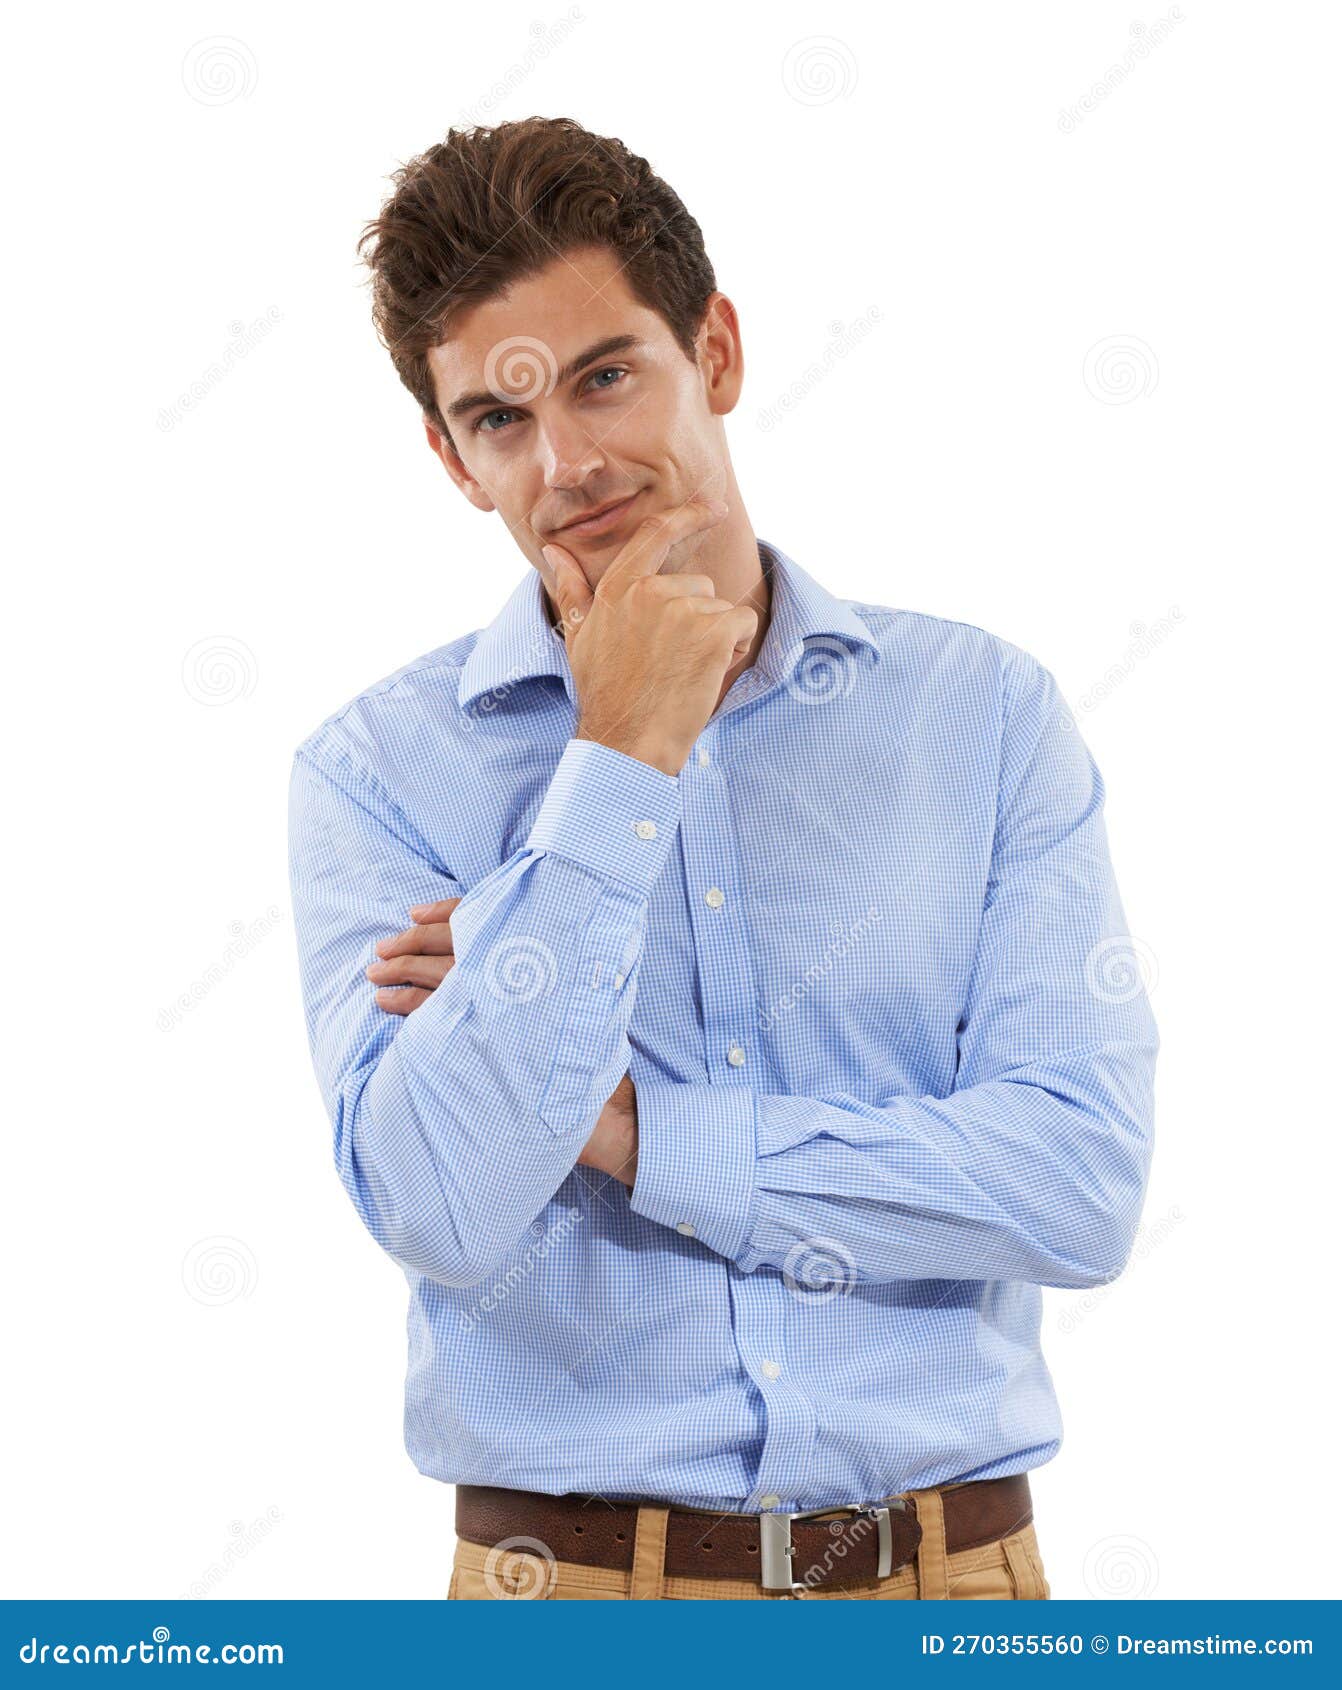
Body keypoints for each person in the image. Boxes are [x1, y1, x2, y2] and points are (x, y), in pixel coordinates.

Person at [287, 115, 1158, 1601]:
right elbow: (439, 1201)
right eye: (500, 421)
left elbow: (1074, 1185)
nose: (566, 460)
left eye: (604, 375)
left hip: (951, 1591)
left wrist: (627, 1126)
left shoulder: (982, 715)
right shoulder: (377, 773)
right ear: (450, 458)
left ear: (721, 353)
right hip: (564, 1603)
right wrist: (615, 760)